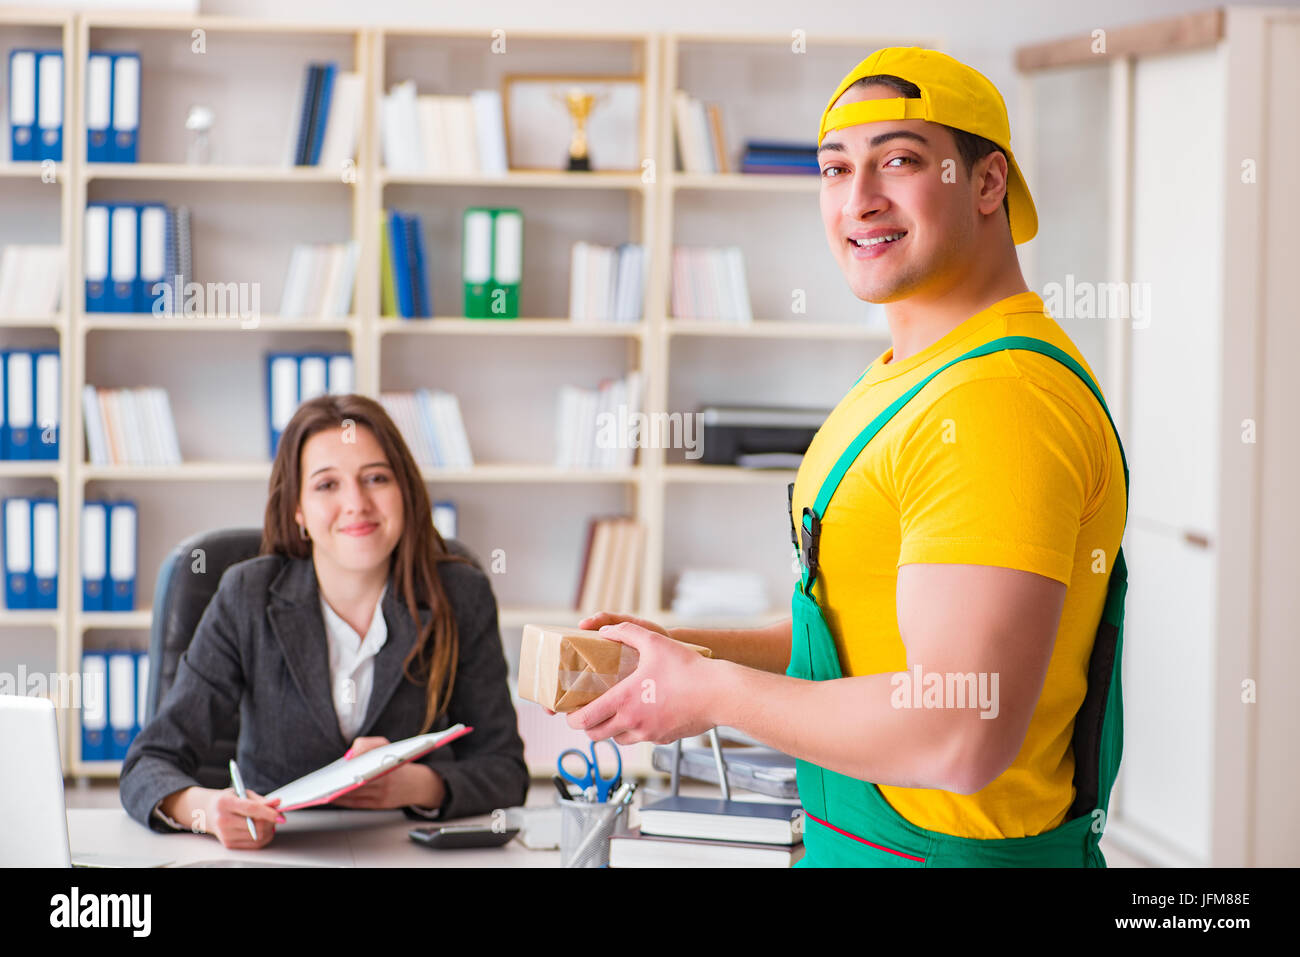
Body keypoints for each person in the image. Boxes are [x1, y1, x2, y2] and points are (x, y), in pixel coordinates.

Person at [563, 47, 1129, 867]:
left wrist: (710, 693)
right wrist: (685, 652)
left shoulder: (993, 401)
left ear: (986, 183)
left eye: (898, 159)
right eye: (834, 169)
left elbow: (957, 729)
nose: (858, 200)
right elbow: (851, 639)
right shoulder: (910, 373)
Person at [120, 393, 529, 848]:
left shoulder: (459, 594)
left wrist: (417, 785)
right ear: (298, 509)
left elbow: (505, 770)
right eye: (326, 485)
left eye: (375, 478)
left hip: (402, 851)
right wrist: (205, 811)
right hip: (275, 853)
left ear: (405, 492)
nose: (356, 503)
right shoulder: (247, 595)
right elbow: (148, 762)